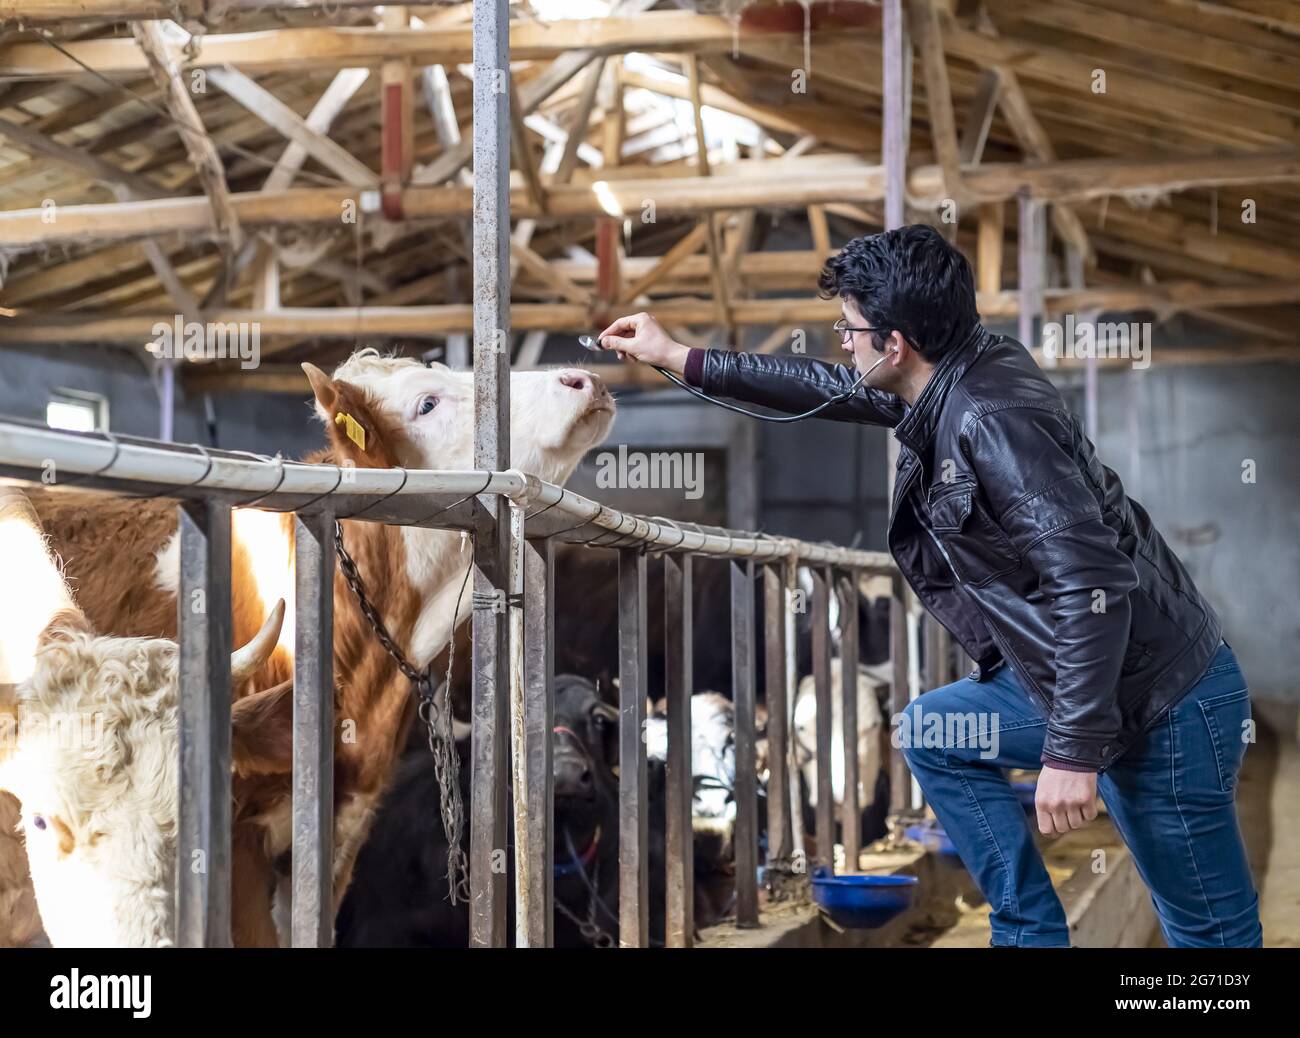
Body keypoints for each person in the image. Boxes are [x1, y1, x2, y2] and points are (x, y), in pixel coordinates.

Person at [595, 224, 1262, 948]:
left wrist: (1072, 752)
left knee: (1210, 940)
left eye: (847, 329)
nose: (839, 343)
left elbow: (1091, 581)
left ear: (896, 344)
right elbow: (825, 387)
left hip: (1162, 699)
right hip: (1080, 677)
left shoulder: (993, 421)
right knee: (934, 730)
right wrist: (678, 357)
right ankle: (1030, 934)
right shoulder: (948, 374)